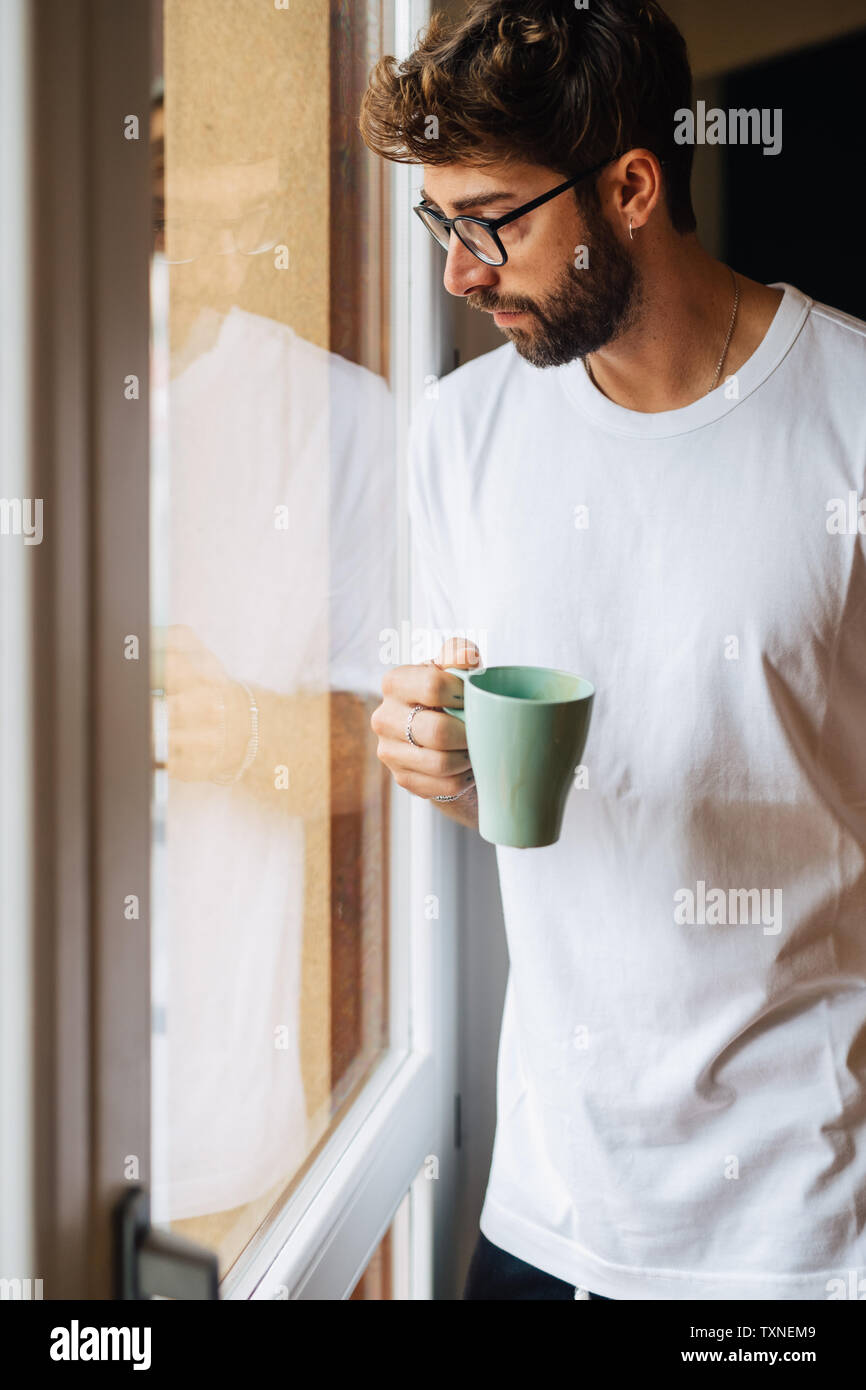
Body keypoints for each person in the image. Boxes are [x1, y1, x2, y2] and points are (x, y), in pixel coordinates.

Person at [361, 0, 866, 1300]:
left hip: (804, 1235)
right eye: (440, 224)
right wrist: (443, 756)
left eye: (490, 221)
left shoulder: (851, 417)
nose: (457, 273)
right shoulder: (458, 435)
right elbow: (532, 769)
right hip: (546, 1214)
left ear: (631, 185)